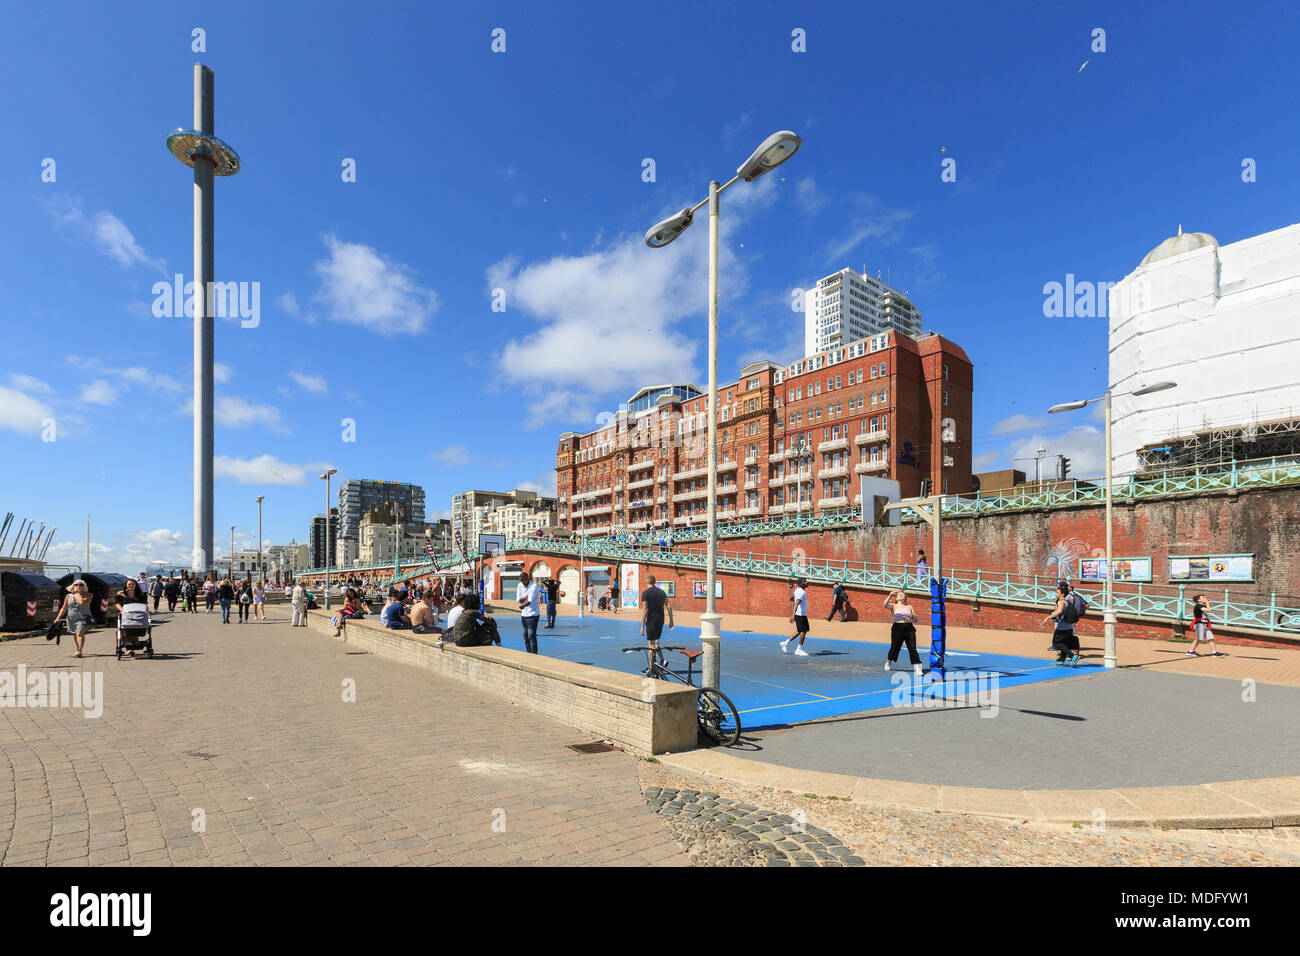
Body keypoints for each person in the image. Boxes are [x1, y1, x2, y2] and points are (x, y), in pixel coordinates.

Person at [883, 590, 923, 675]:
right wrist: (890, 595)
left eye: (903, 594)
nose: (901, 595)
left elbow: (915, 619)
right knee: (895, 646)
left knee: (912, 647)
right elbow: (885, 605)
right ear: (896, 598)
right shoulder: (894, 606)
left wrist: (915, 618)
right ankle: (888, 662)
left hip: (909, 628)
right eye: (899, 594)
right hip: (897, 627)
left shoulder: (910, 606)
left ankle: (917, 667)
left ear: (905, 597)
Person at [53, 579, 95, 658]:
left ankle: (80, 651)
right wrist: (58, 618)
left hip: (83, 617)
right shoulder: (68, 596)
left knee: (80, 633)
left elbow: (82, 602)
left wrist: (77, 594)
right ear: (73, 586)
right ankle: (78, 649)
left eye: (80, 585)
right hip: (71, 618)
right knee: (75, 635)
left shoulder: (89, 595)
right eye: (76, 585)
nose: (78, 586)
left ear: (84, 587)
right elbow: (64, 608)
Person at [1042, 581, 1081, 666]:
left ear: (1062, 594)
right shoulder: (1066, 602)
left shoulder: (1061, 602)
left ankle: (1072, 656)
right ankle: (1061, 660)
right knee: (1064, 644)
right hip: (1069, 627)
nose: (1056, 593)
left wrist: (1049, 617)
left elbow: (1059, 611)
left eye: (1057, 592)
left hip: (1063, 628)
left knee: (1056, 643)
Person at [639, 575, 673, 665]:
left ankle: (651, 668)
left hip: (651, 620)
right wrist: (671, 621)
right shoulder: (662, 592)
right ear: (655, 582)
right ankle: (662, 660)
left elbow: (645, 611)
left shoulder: (645, 593)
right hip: (660, 619)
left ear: (646, 582)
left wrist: (642, 626)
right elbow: (669, 606)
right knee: (656, 641)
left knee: (651, 645)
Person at [115, 578, 148, 657]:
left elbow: (144, 605)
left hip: (137, 615)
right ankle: (121, 647)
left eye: (133, 584)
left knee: (134, 630)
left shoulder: (141, 594)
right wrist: (122, 610)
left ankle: (132, 649)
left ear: (136, 585)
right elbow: (117, 603)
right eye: (129, 584)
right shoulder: (121, 593)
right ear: (126, 585)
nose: (131, 586)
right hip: (124, 614)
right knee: (121, 631)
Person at [782, 577, 811, 656]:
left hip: (801, 614)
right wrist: (792, 616)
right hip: (800, 615)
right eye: (805, 582)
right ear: (800, 583)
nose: (806, 583)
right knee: (803, 631)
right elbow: (797, 603)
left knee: (799, 630)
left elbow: (792, 598)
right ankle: (798, 649)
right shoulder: (801, 592)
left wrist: (793, 599)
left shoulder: (797, 590)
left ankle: (785, 643)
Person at [516, 570, 541, 654]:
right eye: (520, 580)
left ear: (527, 578)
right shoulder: (520, 585)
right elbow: (518, 599)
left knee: (531, 636)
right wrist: (523, 599)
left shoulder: (534, 587)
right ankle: (528, 652)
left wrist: (523, 605)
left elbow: (530, 601)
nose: (522, 582)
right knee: (525, 636)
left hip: (533, 614)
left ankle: (534, 654)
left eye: (523, 580)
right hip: (524, 615)